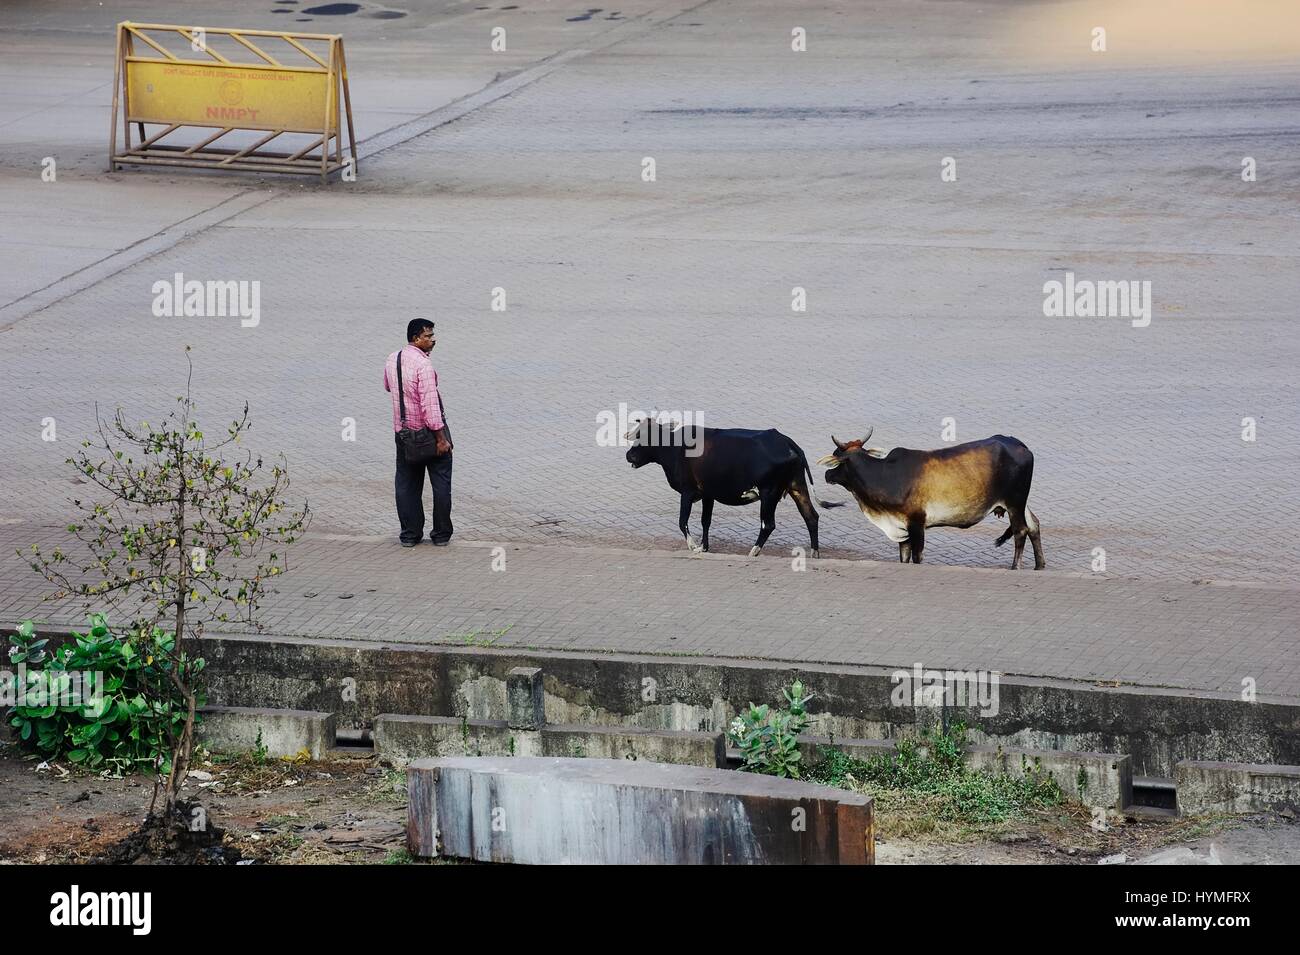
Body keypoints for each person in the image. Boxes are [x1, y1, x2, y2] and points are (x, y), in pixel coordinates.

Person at [383, 319, 453, 547]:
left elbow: (387, 386)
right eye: (428, 336)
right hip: (429, 435)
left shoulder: (393, 358)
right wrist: (441, 438)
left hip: (404, 434)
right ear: (415, 338)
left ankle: (410, 535)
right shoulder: (424, 365)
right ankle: (441, 534)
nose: (433, 340)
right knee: (441, 485)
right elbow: (430, 405)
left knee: (406, 485)